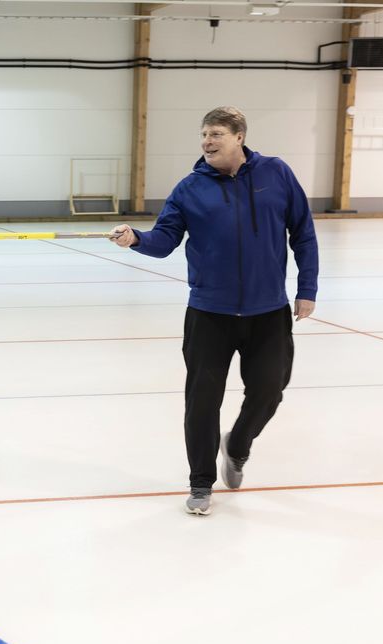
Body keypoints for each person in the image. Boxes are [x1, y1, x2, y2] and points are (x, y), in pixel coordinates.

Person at [111, 107, 319, 516]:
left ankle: (237, 445)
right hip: (210, 313)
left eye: (217, 133)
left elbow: (304, 233)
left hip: (268, 312)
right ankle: (201, 482)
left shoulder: (276, 174)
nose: (207, 140)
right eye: (204, 133)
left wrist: (307, 288)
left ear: (239, 136)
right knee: (202, 401)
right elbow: (165, 239)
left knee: (269, 391)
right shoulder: (190, 188)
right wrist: (136, 238)